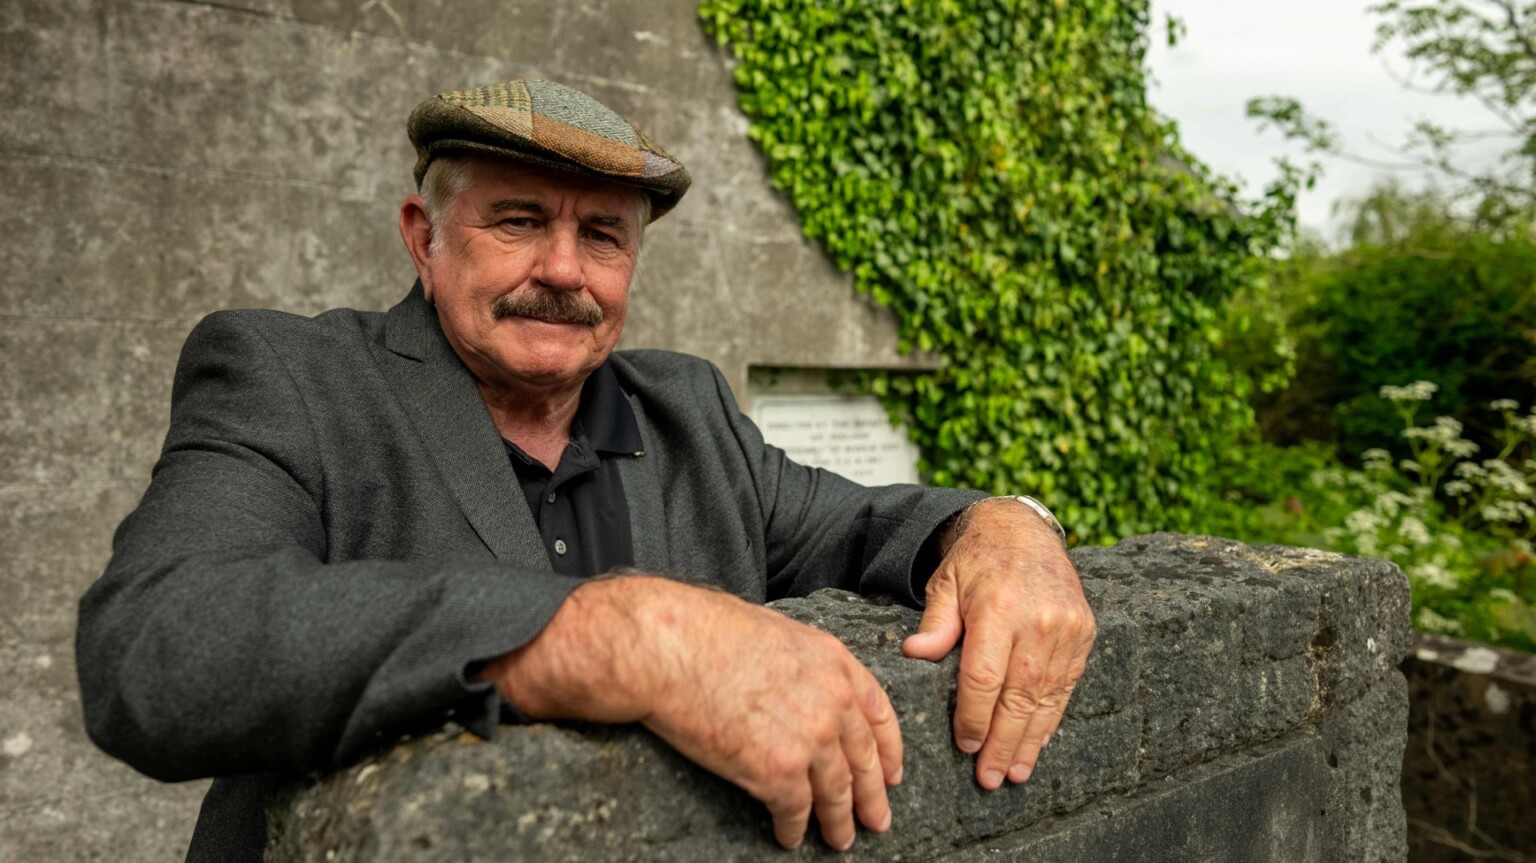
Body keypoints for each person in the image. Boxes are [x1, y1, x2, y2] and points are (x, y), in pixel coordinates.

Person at [76, 79, 1094, 861]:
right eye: (519, 219)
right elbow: (155, 648)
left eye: (602, 234)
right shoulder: (293, 376)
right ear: (423, 237)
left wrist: (1007, 527)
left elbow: (873, 524)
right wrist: (615, 633)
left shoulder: (685, 410)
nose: (564, 269)